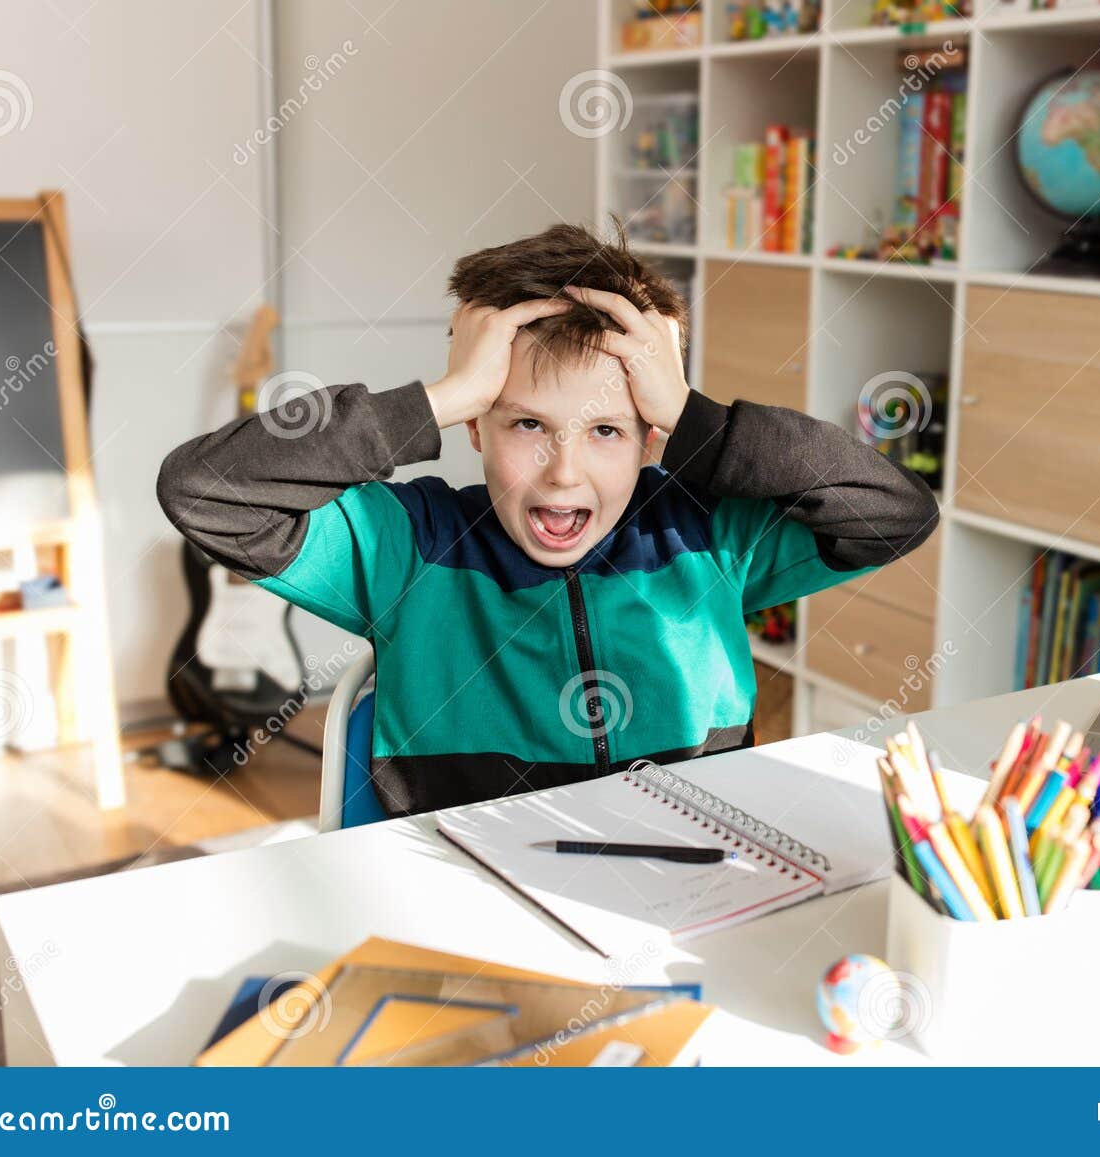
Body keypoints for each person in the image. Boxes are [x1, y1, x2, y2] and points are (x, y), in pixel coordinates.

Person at [157, 221, 939, 816]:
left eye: (606, 431)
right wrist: (439, 395)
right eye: (527, 424)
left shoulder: (708, 536)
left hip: (688, 900)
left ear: (649, 437)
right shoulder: (409, 547)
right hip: (470, 910)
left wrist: (698, 418)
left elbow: (893, 512)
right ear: (476, 427)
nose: (564, 471)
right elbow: (205, 489)